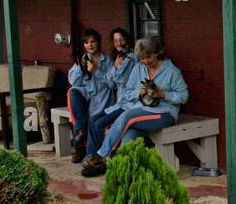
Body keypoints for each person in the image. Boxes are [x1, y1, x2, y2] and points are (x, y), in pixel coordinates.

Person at [80, 36, 188, 176]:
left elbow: (184, 96)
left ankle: (101, 155)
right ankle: (123, 171)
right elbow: (127, 92)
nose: (145, 61)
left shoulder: (172, 71)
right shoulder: (139, 68)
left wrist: (162, 94)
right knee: (129, 136)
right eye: (142, 58)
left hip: (165, 113)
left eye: (148, 57)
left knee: (127, 117)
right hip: (141, 110)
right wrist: (139, 92)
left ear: (157, 53)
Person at [66, 28, 133, 164]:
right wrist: (81, 68)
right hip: (86, 97)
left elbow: (112, 84)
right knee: (73, 91)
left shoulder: (108, 60)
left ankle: (86, 149)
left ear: (99, 43)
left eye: (93, 42)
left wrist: (96, 71)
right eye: (86, 43)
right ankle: (80, 133)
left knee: (94, 120)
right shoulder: (83, 59)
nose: (90, 45)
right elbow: (73, 81)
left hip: (102, 98)